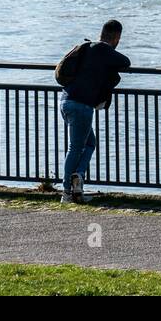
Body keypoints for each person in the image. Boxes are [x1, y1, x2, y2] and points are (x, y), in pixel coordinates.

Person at [59, 19, 129, 204]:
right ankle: (67, 192)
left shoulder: (88, 47)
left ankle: (77, 181)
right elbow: (125, 62)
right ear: (117, 37)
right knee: (75, 148)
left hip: (66, 100)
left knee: (89, 143)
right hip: (81, 106)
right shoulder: (104, 49)